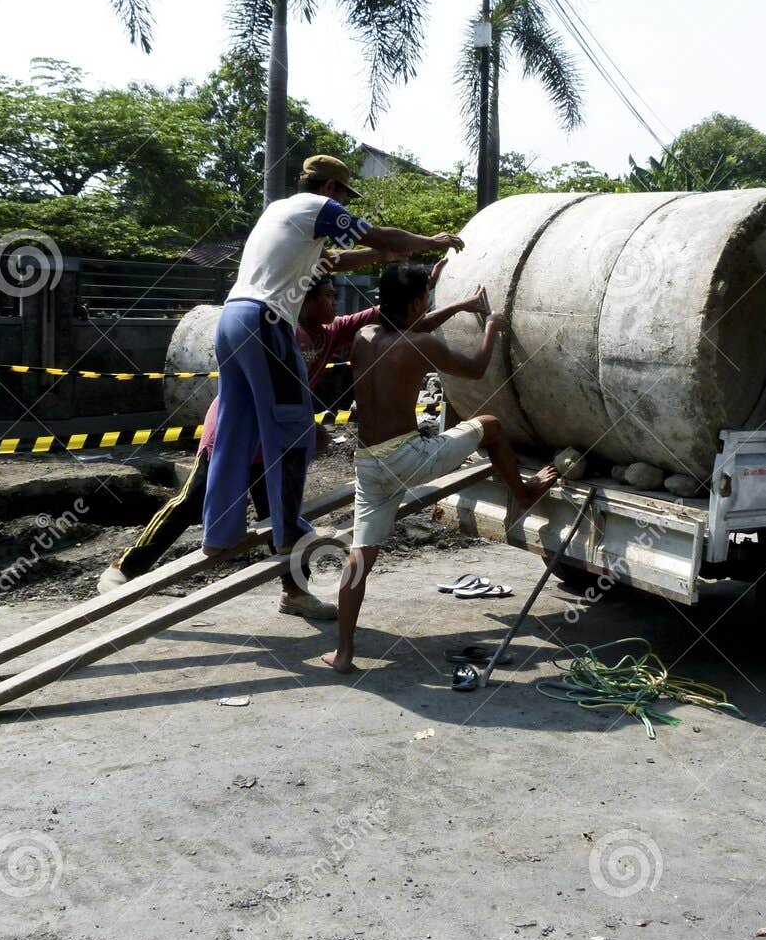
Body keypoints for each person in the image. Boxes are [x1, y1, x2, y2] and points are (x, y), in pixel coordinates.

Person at [96, 258, 465, 599]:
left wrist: (426, 288)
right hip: (233, 433)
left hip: (275, 443)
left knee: (280, 518)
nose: (336, 303)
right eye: (329, 296)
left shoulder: (330, 333)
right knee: (191, 503)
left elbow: (396, 317)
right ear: (305, 300)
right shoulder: (278, 333)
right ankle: (126, 567)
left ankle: (295, 594)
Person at [199, 156, 463, 617]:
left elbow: (339, 260)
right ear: (328, 187)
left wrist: (388, 255)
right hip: (265, 324)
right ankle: (285, 530)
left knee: (238, 426)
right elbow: (378, 236)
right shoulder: (313, 207)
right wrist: (428, 242)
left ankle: (219, 531)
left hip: (232, 319)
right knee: (294, 429)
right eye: (343, 194)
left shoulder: (282, 215)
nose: (344, 204)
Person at [325, 264, 559, 674]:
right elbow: (475, 368)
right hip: (408, 456)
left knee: (359, 557)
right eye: (426, 301)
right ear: (416, 303)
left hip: (368, 463)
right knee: (491, 426)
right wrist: (492, 328)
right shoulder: (422, 344)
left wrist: (459, 305)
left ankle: (344, 653)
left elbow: (409, 328)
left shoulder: (362, 338)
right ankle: (523, 492)